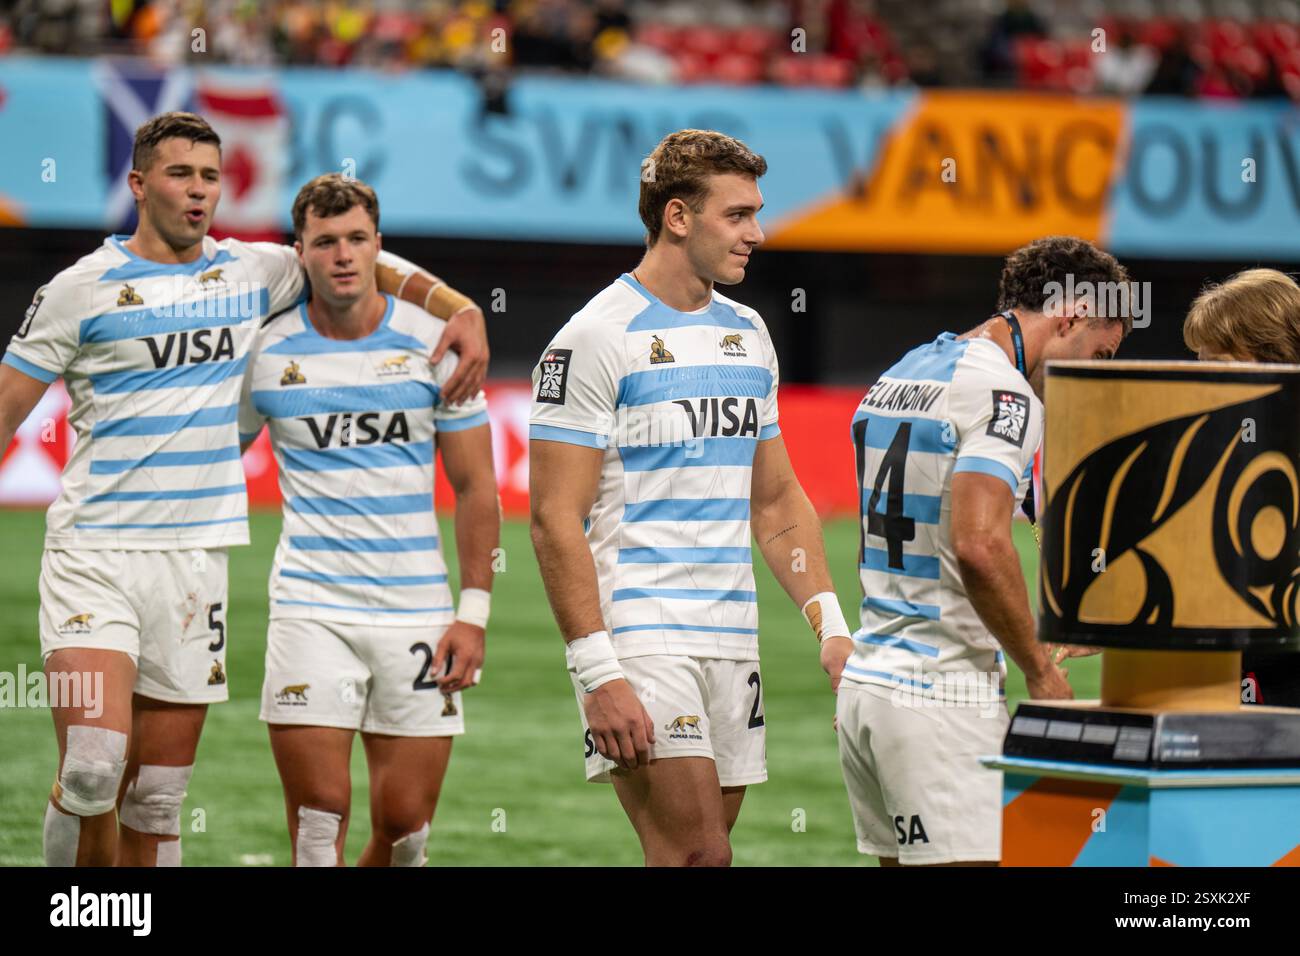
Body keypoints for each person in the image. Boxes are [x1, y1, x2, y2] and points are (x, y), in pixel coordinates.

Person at [0, 111, 488, 867]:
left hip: (199, 563)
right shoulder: (78, 289)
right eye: (178, 174)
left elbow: (354, 255)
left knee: (157, 796)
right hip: (94, 552)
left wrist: (456, 308)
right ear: (137, 184)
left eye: (208, 176)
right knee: (93, 764)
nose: (198, 192)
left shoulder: (251, 272)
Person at [528, 129, 854, 867]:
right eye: (737, 215)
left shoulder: (748, 332)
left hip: (731, 635)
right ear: (679, 217)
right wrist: (598, 672)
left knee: (696, 856)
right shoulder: (594, 338)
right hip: (642, 634)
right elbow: (554, 520)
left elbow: (774, 501)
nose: (758, 234)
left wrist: (830, 625)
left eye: (757, 214)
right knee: (699, 854)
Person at [838, 235, 1131, 866]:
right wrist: (1039, 667)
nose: (1093, 373)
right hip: (942, 696)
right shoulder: (1006, 396)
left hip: (869, 690)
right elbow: (979, 543)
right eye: (1099, 353)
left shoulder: (905, 370)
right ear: (1072, 314)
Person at [237, 174, 497, 866]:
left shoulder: (436, 343)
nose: (343, 255)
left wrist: (473, 612)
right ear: (302, 253)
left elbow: (475, 486)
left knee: (405, 832)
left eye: (357, 239)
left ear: (380, 248)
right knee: (319, 825)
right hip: (309, 608)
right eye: (325, 242)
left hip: (417, 611)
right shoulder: (265, 353)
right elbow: (211, 457)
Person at [1181, 267, 1300, 708]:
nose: (1203, 383)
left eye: (1222, 365)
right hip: (1230, 690)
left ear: (1278, 356)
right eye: (1201, 365)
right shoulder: (1219, 448)